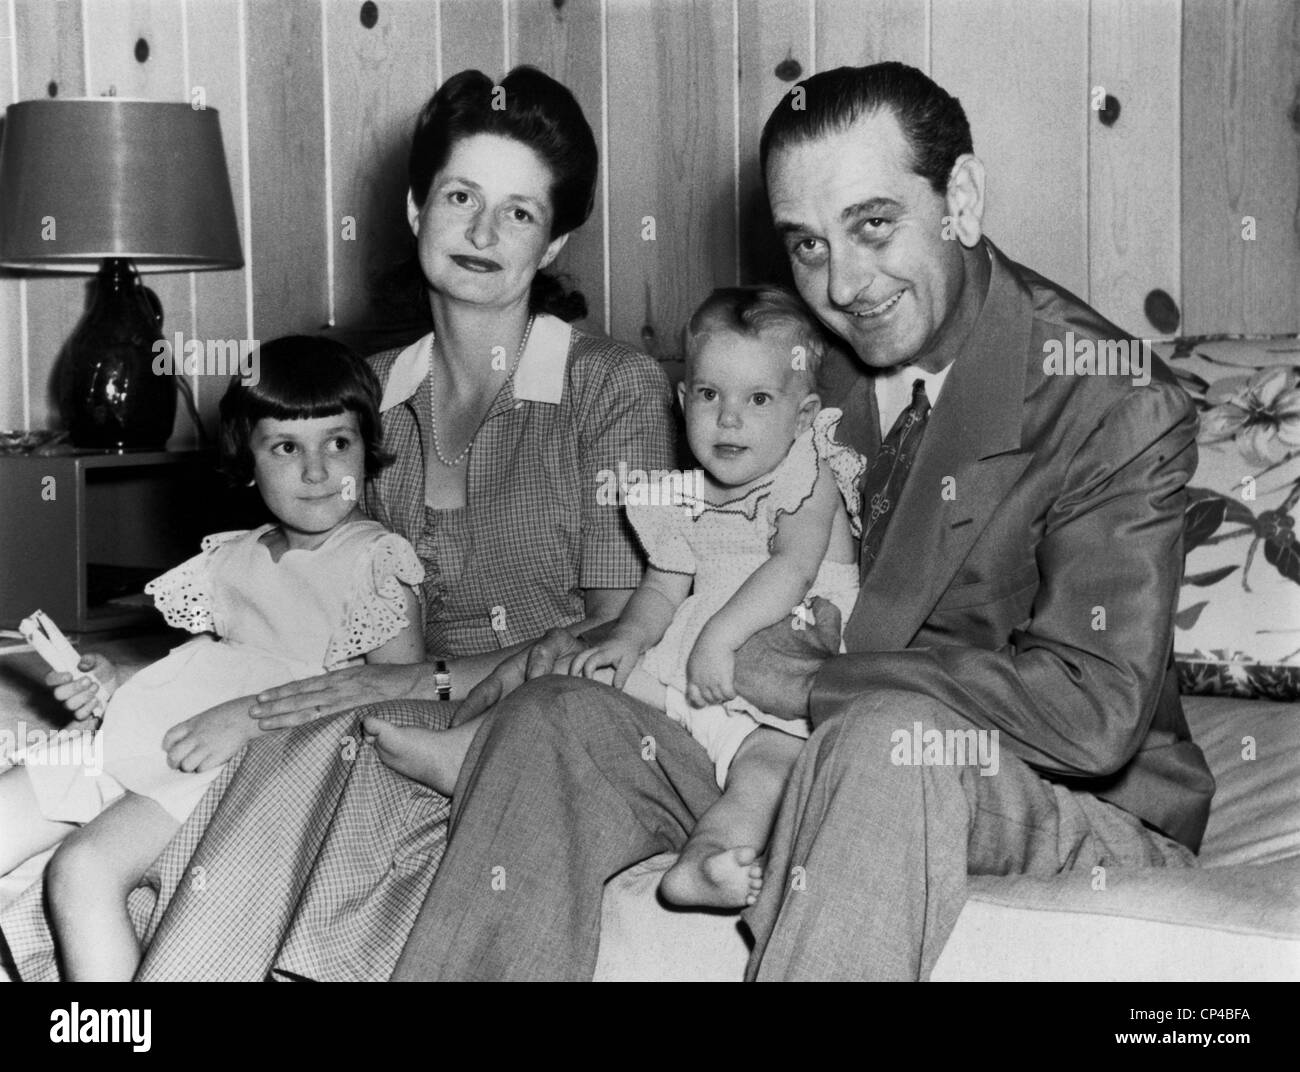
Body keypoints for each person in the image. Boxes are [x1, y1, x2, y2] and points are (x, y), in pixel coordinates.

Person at [389, 62, 1215, 981]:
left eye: (872, 225)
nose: (847, 283)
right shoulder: (796, 364)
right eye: (807, 245)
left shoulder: (1110, 398)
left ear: (963, 199)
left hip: (1055, 794)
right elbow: (692, 557)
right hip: (781, 747)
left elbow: (1091, 712)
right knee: (556, 719)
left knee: (879, 742)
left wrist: (813, 685)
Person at [0, 66, 675, 981]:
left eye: (519, 213)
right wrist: (131, 674)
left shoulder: (612, 387)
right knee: (64, 764)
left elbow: (613, 634)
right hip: (328, 685)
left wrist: (378, 686)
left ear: (553, 243)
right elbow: (282, 590)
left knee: (274, 749)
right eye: (461, 195)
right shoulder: (357, 395)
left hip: (513, 715)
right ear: (413, 207)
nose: (482, 232)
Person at [374, 285, 864, 909]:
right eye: (711, 395)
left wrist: (721, 639)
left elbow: (792, 570)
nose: (730, 418)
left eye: (759, 399)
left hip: (778, 675)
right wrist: (626, 641)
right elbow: (662, 586)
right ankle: (467, 750)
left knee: (766, 774)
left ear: (801, 415)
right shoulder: (682, 493)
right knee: (566, 668)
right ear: (685, 401)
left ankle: (707, 861)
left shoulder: (808, 475)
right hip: (688, 672)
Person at [0, 337, 425, 980]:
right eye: (286, 446)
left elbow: (401, 696)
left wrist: (250, 719)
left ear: (367, 450)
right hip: (167, 730)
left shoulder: (377, 562)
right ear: (247, 461)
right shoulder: (235, 554)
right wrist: (116, 685)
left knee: (82, 871)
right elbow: (208, 665)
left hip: (251, 764)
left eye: (338, 442)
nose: (316, 470)